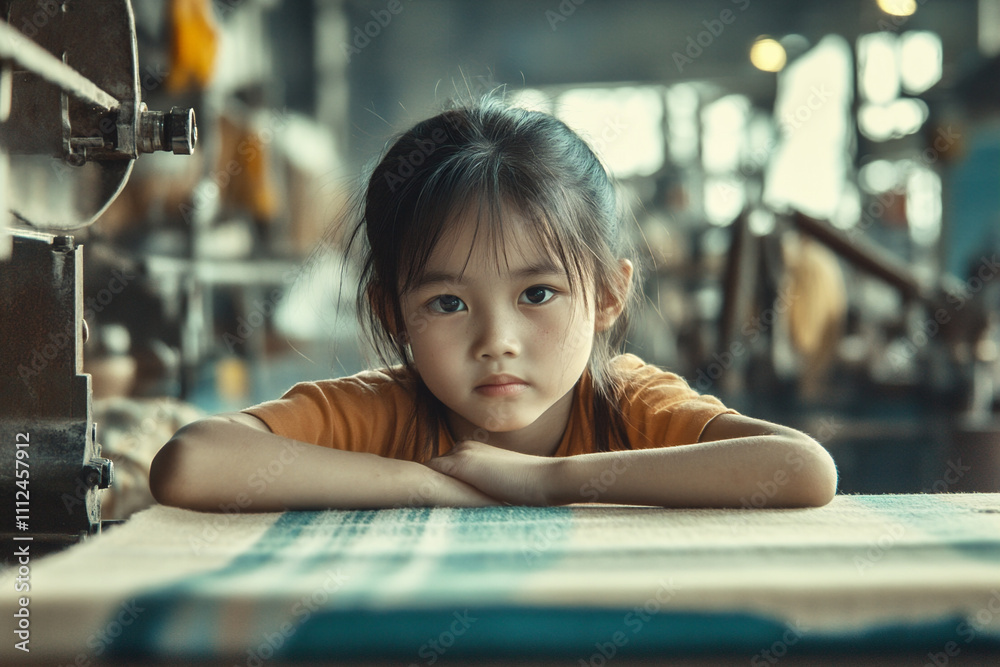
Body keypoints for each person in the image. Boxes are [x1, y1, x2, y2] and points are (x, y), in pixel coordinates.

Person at [149, 97, 837, 512]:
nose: (496, 339)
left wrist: (547, 479)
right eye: (448, 301)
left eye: (537, 293)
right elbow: (191, 462)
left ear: (606, 294)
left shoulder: (625, 403)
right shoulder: (386, 413)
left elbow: (801, 468)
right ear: (391, 311)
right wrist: (426, 484)